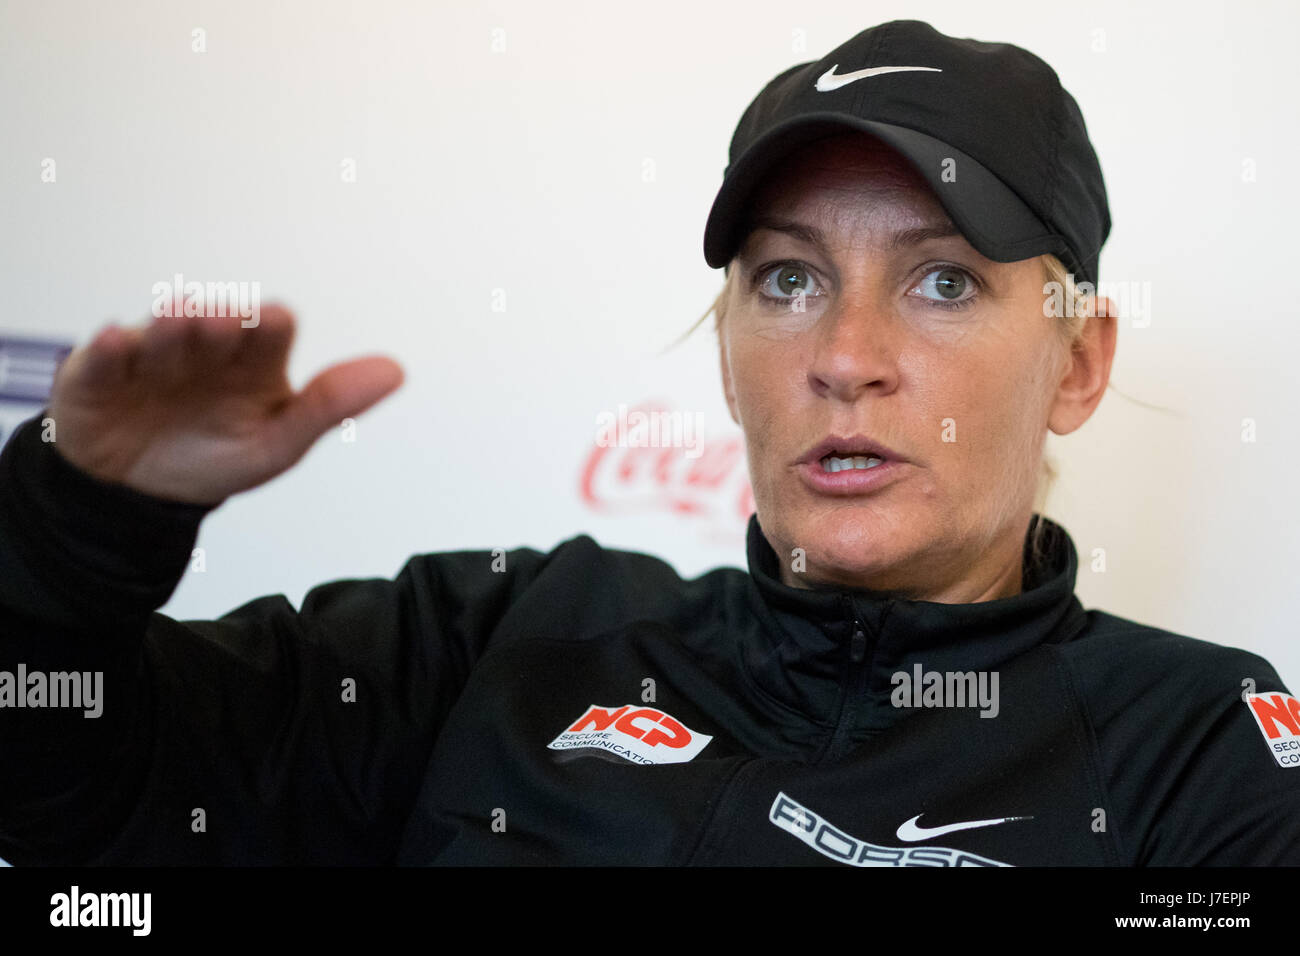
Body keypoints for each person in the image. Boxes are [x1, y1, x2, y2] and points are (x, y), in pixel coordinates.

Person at [1, 19, 1297, 867]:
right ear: (731, 351)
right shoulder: (491, 644)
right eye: (787, 279)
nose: (844, 354)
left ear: (1077, 365)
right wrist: (81, 532)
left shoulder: (1203, 746)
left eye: (942, 281)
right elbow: (56, 781)